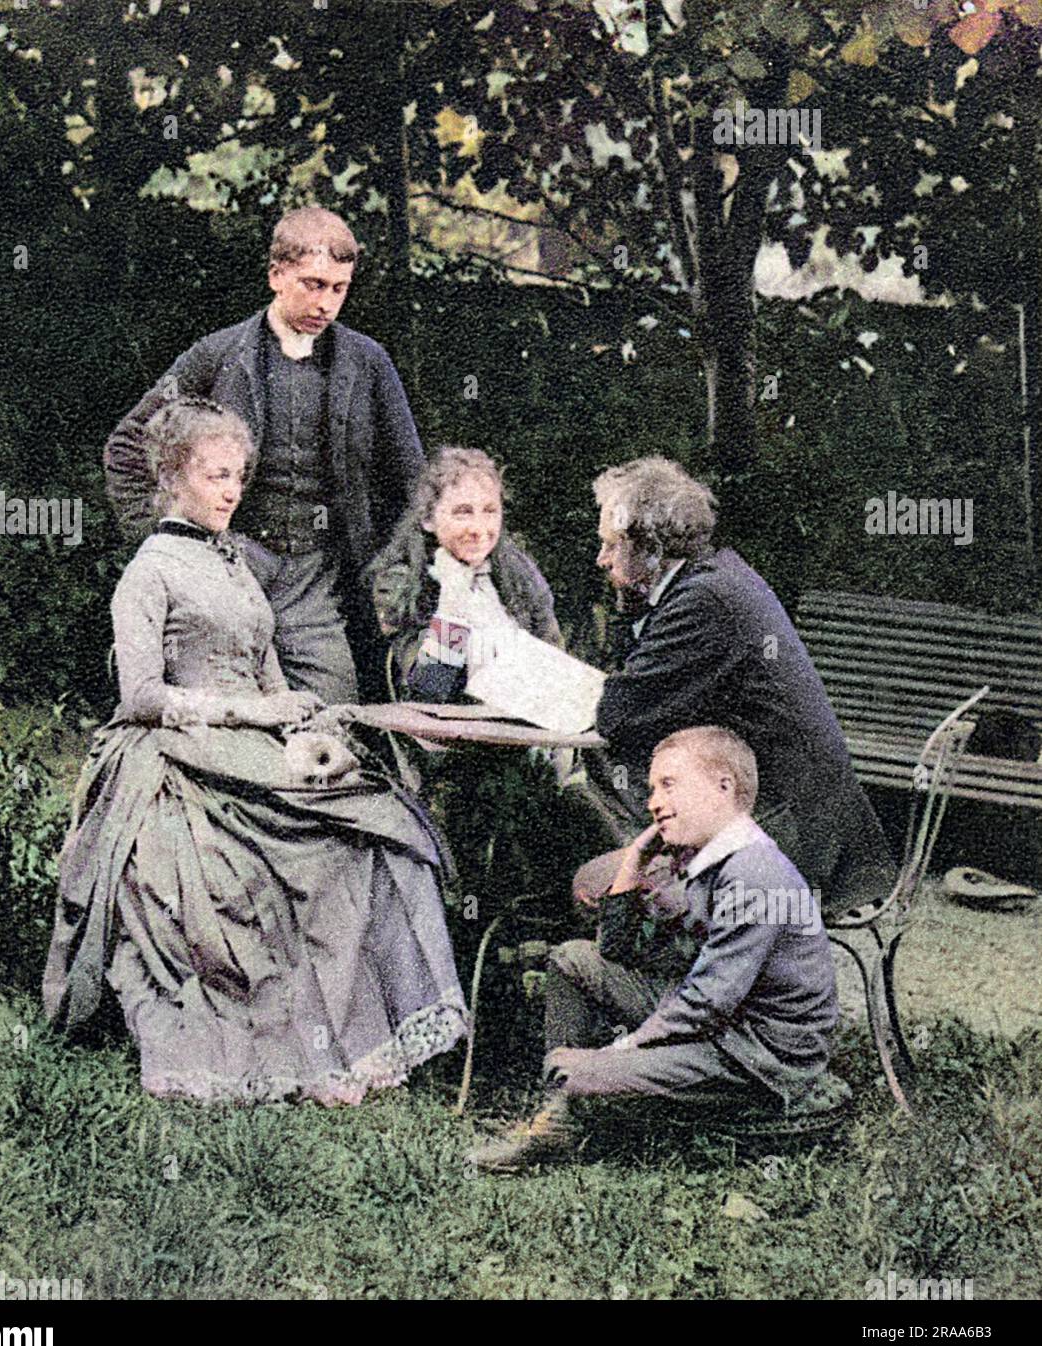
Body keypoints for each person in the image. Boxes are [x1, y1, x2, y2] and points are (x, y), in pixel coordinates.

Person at [44, 399, 467, 1105]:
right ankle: (281, 1047)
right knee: (246, 874)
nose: (233, 491)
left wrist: (298, 725)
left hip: (258, 745)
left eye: (239, 475)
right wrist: (250, 712)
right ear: (174, 479)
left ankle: (361, 1038)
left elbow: (265, 661)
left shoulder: (234, 559)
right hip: (178, 755)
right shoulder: (150, 570)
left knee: (374, 828)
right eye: (217, 476)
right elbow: (141, 695)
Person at [468, 727, 850, 1173]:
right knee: (572, 961)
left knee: (575, 1072)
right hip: (719, 1023)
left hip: (757, 1055)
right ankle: (566, 1111)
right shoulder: (707, 858)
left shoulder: (753, 872)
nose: (653, 801)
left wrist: (624, 1050)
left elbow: (709, 1001)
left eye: (669, 785)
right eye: (652, 789)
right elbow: (613, 951)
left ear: (724, 787)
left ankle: (569, 1109)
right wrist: (634, 858)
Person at [103, 205, 424, 704]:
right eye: (313, 284)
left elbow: (414, 482)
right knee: (224, 711)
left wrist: (398, 574)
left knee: (333, 715)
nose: (326, 303)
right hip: (229, 566)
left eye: (339, 288)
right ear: (277, 275)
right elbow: (127, 445)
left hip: (318, 580)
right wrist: (167, 539)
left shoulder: (369, 363)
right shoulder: (219, 354)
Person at [577, 456, 895, 920]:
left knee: (592, 886)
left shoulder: (703, 601)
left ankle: (663, 987)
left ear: (649, 548)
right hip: (808, 825)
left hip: (792, 843)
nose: (602, 559)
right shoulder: (716, 577)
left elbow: (617, 716)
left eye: (611, 545)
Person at [367, 445, 561, 701]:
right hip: (440, 730)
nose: (479, 529)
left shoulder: (518, 575)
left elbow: (555, 668)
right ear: (428, 519)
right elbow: (431, 688)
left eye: (490, 511)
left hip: (520, 726)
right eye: (463, 512)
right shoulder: (400, 583)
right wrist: (453, 601)